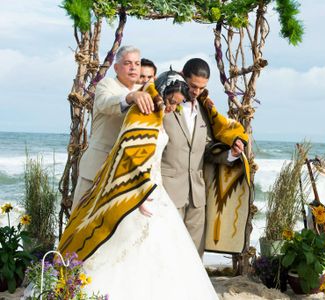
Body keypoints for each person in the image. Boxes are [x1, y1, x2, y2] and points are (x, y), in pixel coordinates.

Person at [63, 71, 218, 299]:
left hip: (158, 190)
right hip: (138, 190)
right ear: (162, 92)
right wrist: (141, 192)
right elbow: (130, 155)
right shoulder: (143, 114)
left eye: (178, 104)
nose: (173, 108)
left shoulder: (159, 115)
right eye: (171, 101)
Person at [161, 58, 245, 256]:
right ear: (183, 75)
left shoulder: (205, 110)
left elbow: (205, 149)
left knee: (194, 255)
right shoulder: (164, 106)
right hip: (168, 192)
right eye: (193, 86)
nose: (196, 92)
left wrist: (230, 155)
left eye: (201, 88)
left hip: (197, 195)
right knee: (167, 251)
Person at [72, 46, 154, 209]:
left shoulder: (144, 91)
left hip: (125, 172)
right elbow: (105, 104)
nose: (133, 67)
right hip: (96, 168)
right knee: (81, 221)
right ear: (116, 67)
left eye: (137, 64)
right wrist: (130, 97)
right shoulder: (106, 85)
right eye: (128, 63)